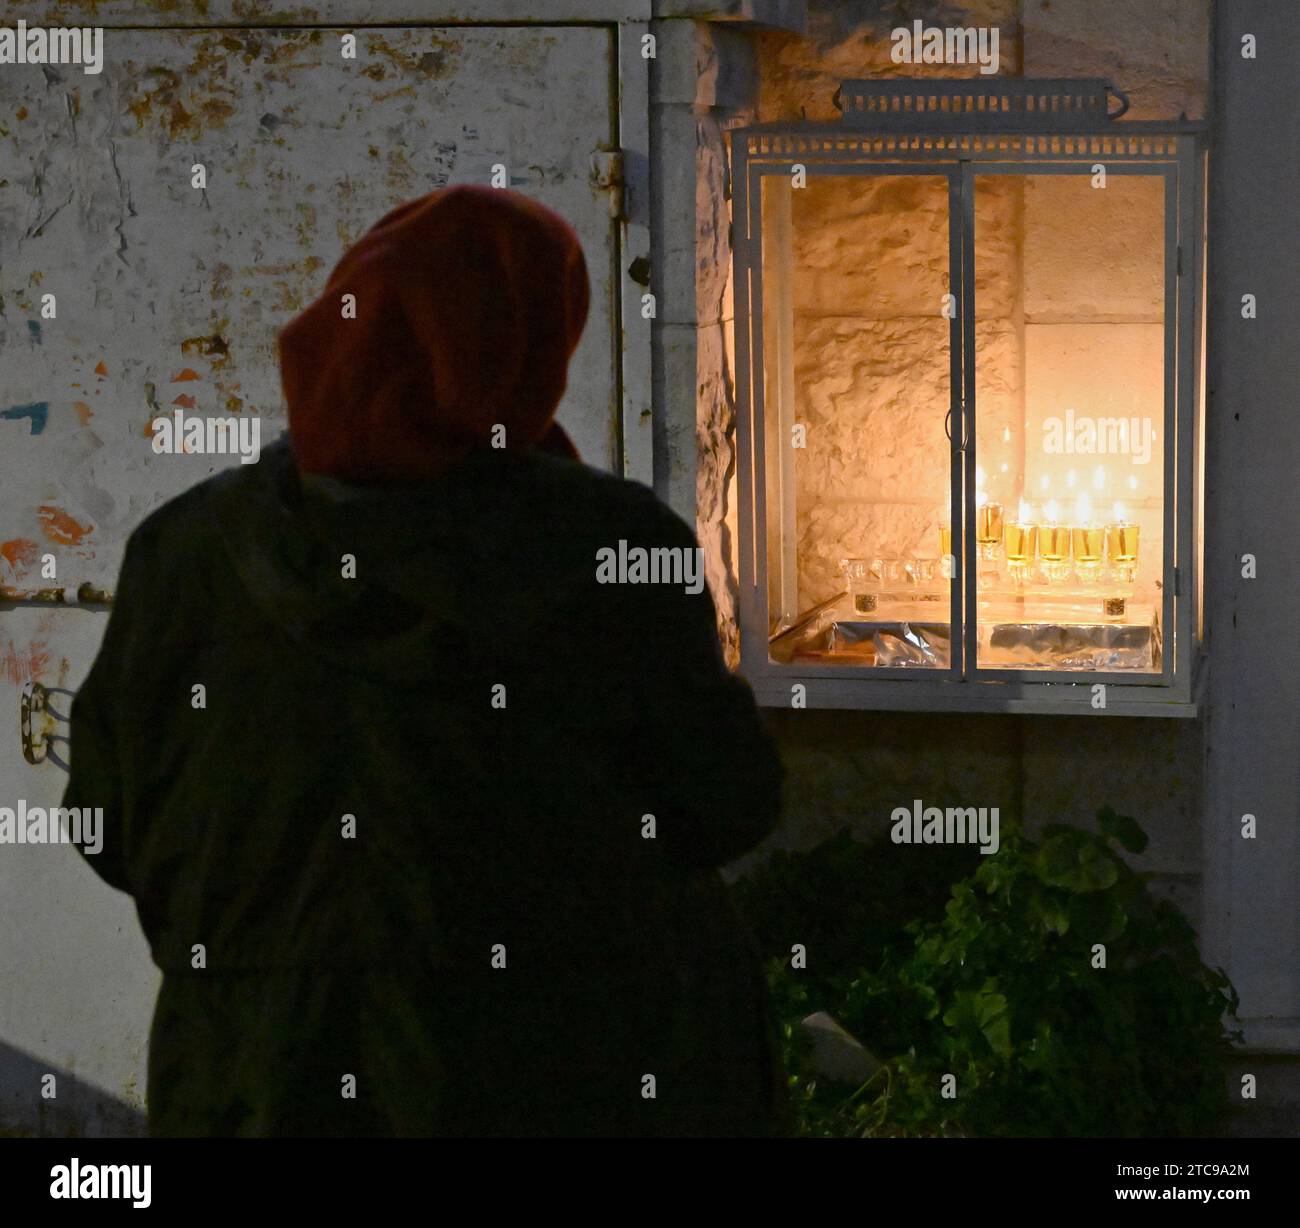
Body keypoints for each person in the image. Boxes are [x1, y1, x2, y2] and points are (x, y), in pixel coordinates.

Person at [63, 184, 788, 1137]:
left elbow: (107, 818)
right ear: (525, 349)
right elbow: (725, 800)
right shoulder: (604, 547)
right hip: (551, 1073)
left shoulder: (184, 550)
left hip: (249, 1078)